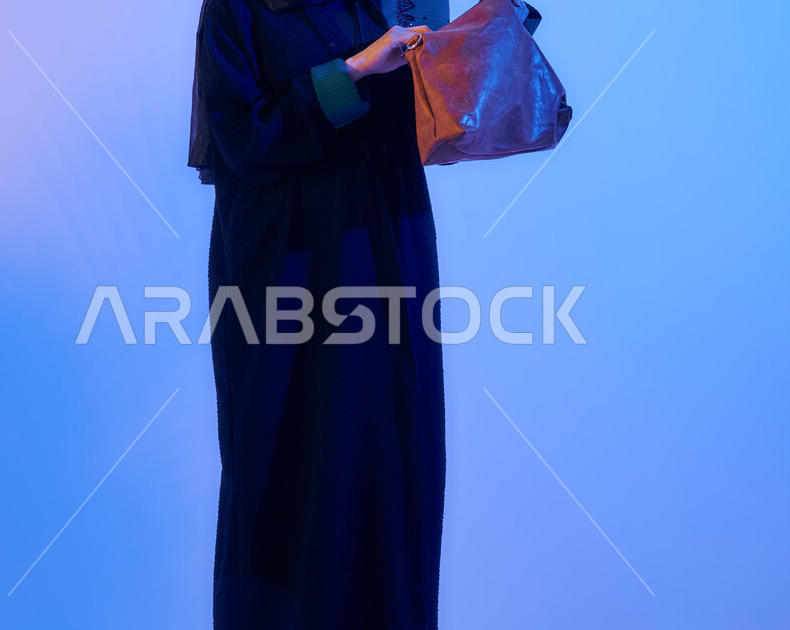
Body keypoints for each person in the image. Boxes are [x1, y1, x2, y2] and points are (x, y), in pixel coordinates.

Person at [188, 1, 542, 627]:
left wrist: (488, 36)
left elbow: (440, 113)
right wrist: (352, 72)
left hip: (387, 241)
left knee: (389, 455)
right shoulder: (238, 7)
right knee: (285, 464)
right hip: (284, 262)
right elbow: (242, 141)